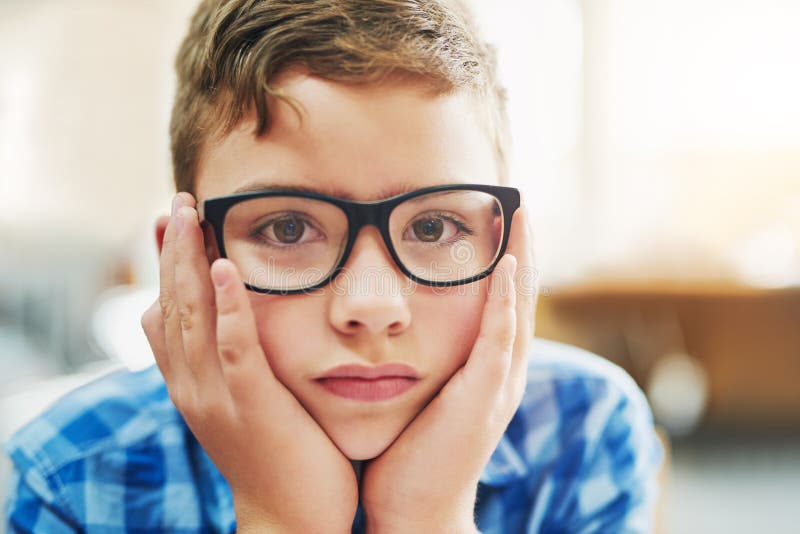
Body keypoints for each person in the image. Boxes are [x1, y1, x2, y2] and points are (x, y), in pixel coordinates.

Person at [4, 0, 663, 532]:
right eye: (286, 228)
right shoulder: (69, 478)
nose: (373, 305)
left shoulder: (584, 431)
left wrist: (427, 520)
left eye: (434, 227)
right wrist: (286, 522)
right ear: (186, 265)